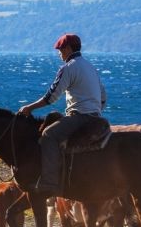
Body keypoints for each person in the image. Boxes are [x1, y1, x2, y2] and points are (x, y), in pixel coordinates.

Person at [17, 33, 108, 195]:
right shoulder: (90, 67)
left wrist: (29, 108)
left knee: (48, 136)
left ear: (68, 48)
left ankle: (49, 183)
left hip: (80, 117)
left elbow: (51, 97)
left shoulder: (68, 68)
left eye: (60, 49)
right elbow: (103, 98)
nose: (59, 53)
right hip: (96, 117)